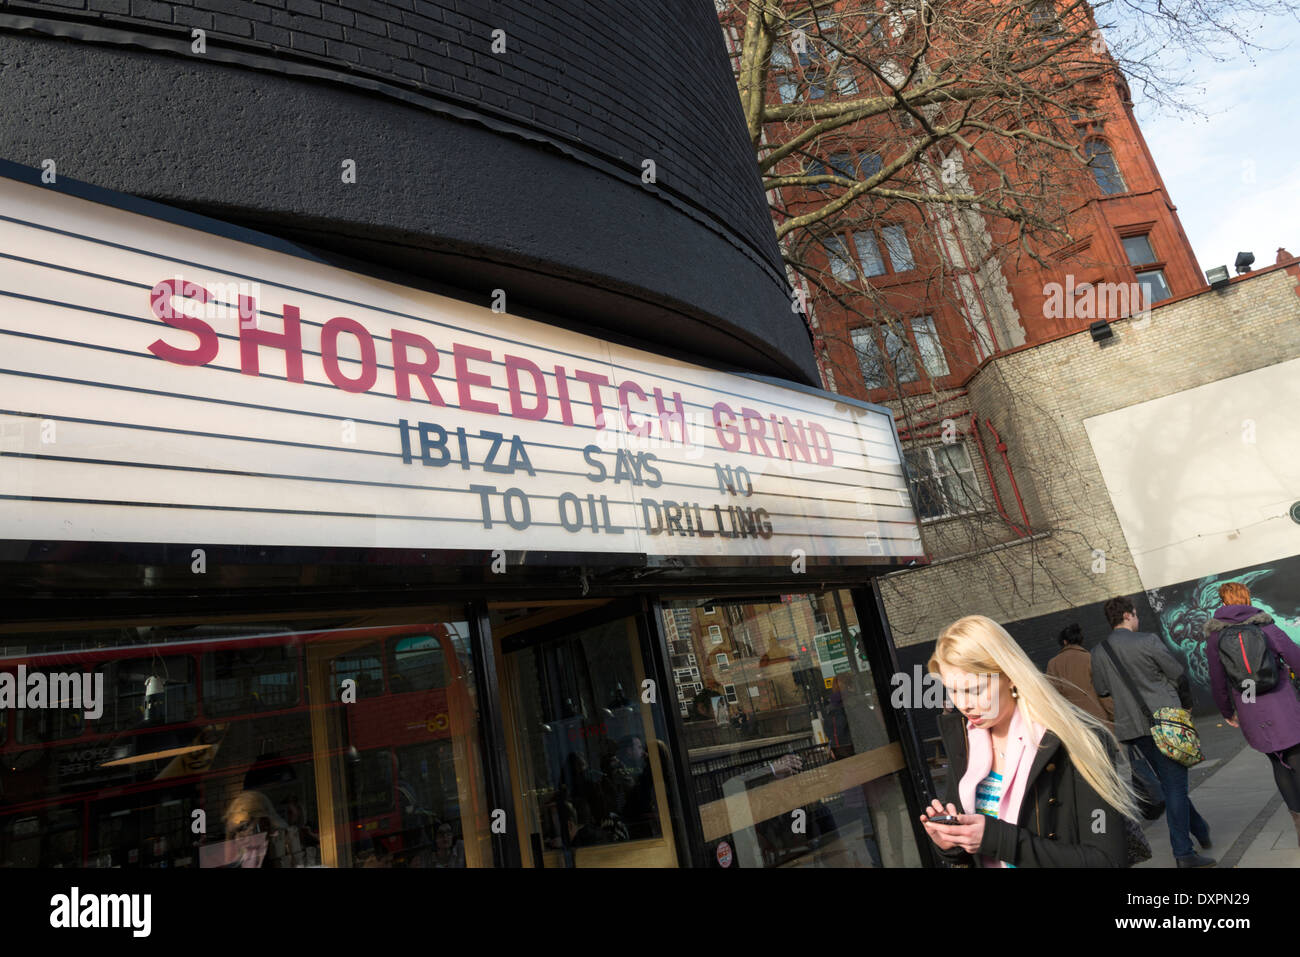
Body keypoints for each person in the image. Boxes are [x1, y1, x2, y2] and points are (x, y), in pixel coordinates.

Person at [921, 615, 1136, 867]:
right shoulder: (965, 741)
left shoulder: (1074, 741)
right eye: (953, 690)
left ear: (1010, 675)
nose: (964, 703)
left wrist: (995, 838)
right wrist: (951, 842)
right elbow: (976, 850)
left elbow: (1107, 861)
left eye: (975, 689)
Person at [1091, 595, 1215, 867]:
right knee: (1175, 786)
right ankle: (1183, 853)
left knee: (1171, 784)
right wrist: (1183, 702)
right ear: (1127, 615)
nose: (1137, 618)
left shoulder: (1100, 651)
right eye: (1135, 614)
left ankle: (1201, 830)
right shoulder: (1147, 641)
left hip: (1134, 728)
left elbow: (1101, 689)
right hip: (1166, 721)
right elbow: (1176, 671)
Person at [1203, 581, 1300, 846]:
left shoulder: (1214, 637)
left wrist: (1226, 711)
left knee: (1278, 762)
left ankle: (1299, 825)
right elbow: (1295, 657)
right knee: (1297, 756)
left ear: (1223, 603)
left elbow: (1217, 679)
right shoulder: (1265, 625)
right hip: (1281, 701)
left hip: (1250, 707)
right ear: (1247, 599)